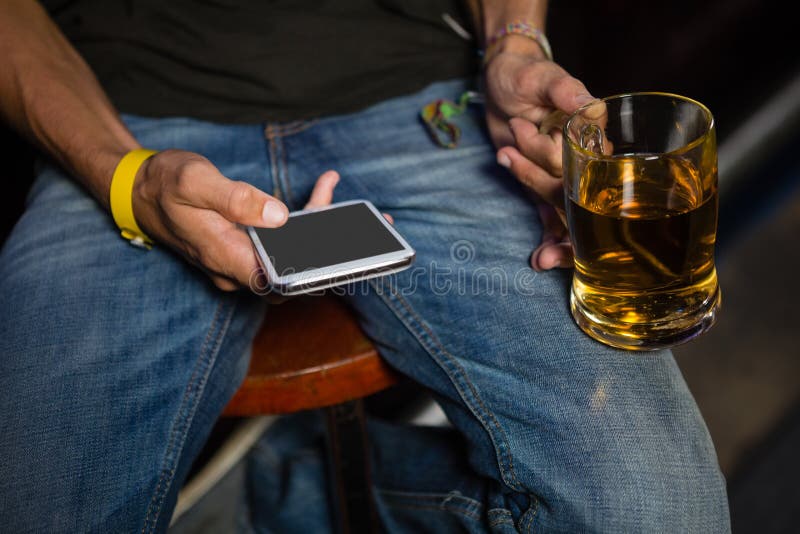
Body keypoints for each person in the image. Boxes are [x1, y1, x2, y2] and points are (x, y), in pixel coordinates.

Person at [0, 0, 730, 532]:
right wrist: (125, 180)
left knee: (657, 511)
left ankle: (280, 486)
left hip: (421, 103)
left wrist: (514, 41)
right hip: (117, 126)